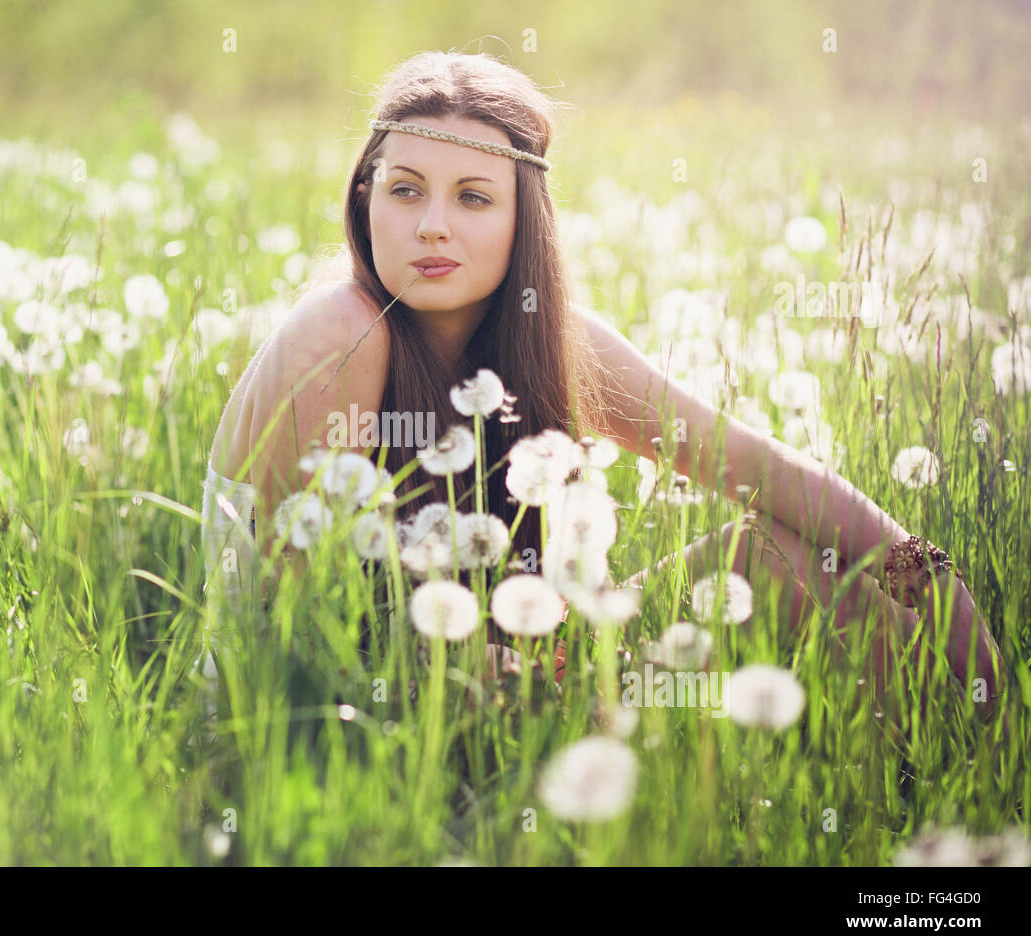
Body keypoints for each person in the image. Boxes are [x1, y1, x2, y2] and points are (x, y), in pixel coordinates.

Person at [202, 50, 1004, 719]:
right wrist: (503, 678)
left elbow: (760, 471)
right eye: (404, 188)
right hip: (324, 712)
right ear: (364, 197)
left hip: (504, 679)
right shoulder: (338, 334)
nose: (432, 224)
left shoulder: (553, 341)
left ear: (526, 219)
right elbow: (306, 621)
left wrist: (929, 574)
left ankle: (947, 790)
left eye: (473, 197)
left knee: (779, 558)